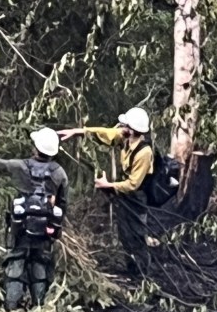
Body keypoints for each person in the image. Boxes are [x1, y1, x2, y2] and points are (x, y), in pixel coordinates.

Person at [58, 107, 166, 264]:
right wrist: (78, 132)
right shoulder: (125, 138)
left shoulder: (144, 152)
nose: (121, 128)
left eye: (125, 126)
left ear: (132, 130)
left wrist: (109, 185)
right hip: (124, 193)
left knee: (136, 233)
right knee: (124, 232)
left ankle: (142, 271)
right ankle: (131, 265)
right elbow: (104, 133)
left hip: (136, 197)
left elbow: (133, 184)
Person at [0, 127, 68, 310]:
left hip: (20, 225)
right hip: (46, 229)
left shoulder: (20, 166)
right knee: (40, 262)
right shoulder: (60, 173)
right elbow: (63, 203)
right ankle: (39, 307)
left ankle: (11, 307)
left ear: (36, 147)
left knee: (16, 260)